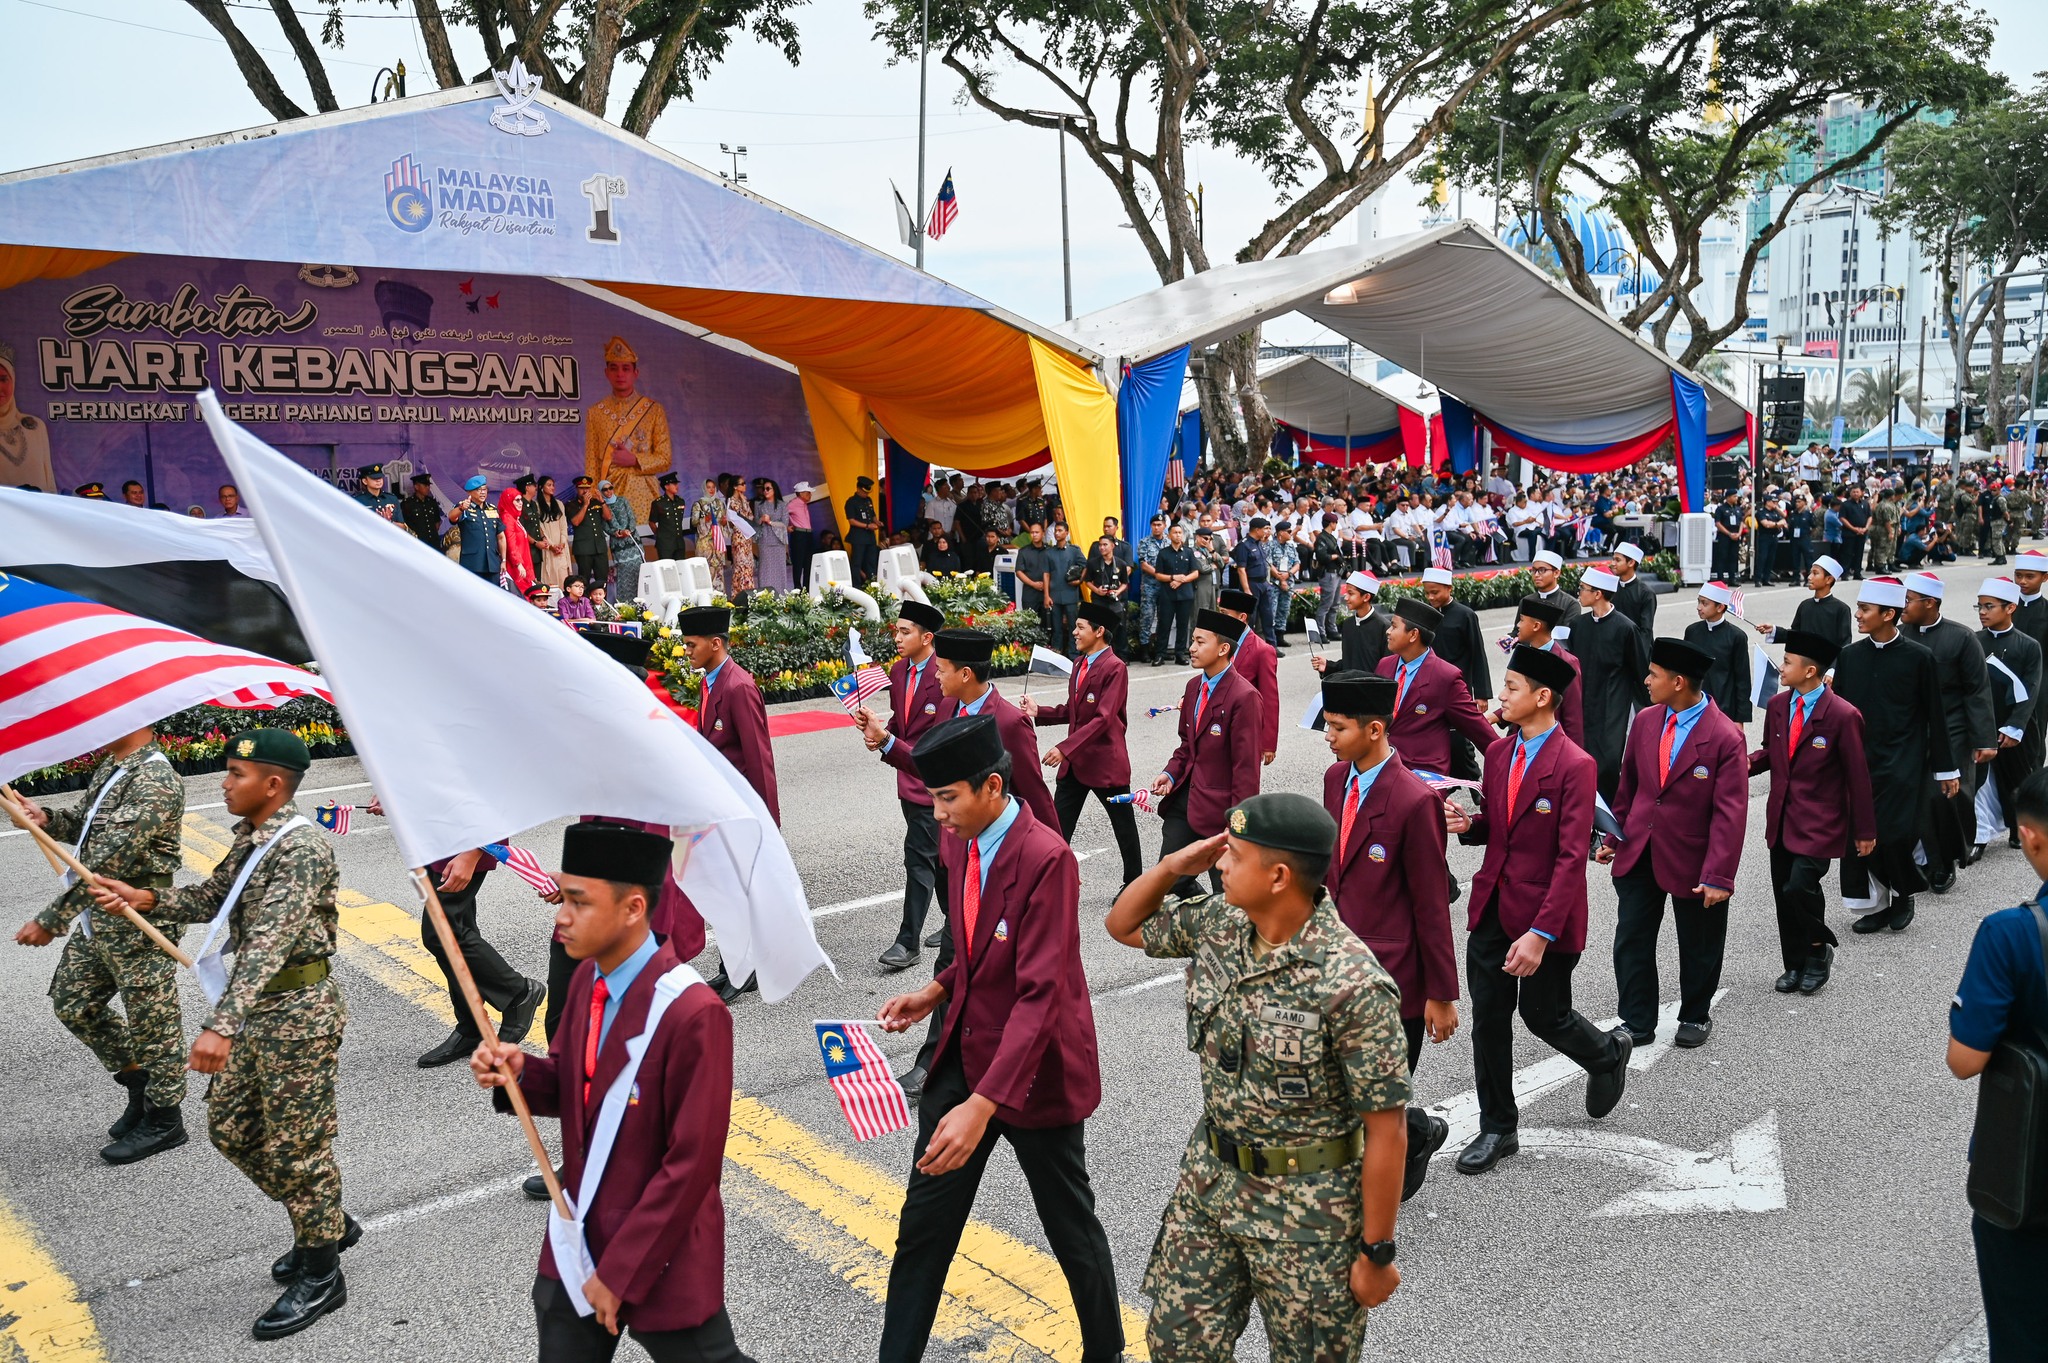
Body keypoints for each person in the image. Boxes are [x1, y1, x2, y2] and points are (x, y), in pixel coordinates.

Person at [1106, 791, 1411, 1363]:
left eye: (1233, 854)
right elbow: (1123, 925)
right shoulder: (1222, 923)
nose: (1219, 863)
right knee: (1175, 1347)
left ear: (1277, 877)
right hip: (1211, 1187)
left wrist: (1376, 1251)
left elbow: (1388, 1131)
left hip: (1308, 1214)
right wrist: (1174, 866)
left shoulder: (1350, 982)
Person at [875, 715, 1123, 1363]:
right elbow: (979, 947)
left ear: (992, 786)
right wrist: (936, 989)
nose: (939, 814)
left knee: (1070, 1228)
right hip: (965, 1054)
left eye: (948, 797)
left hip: (1034, 1073)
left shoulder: (1047, 858)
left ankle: (1107, 1350)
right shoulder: (961, 840)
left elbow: (1039, 993)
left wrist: (982, 1106)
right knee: (922, 1231)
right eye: (932, 798)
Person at [92, 729, 353, 1339]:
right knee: (231, 1131)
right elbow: (215, 896)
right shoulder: (252, 841)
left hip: (296, 1015)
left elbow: (269, 944)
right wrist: (144, 896)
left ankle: (322, 1271)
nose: (224, 782)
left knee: (297, 1146)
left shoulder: (299, 848)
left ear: (272, 784)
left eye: (236, 773)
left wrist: (219, 1025)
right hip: (256, 1008)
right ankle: (327, 1220)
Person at [469, 821, 752, 1363]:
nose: (561, 917)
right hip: (579, 1230)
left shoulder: (694, 1013)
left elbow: (691, 1163)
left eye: (579, 901)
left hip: (659, 1249)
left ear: (633, 909)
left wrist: (621, 1273)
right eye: (562, 897)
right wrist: (521, 1073)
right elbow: (576, 1088)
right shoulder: (586, 980)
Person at [1445, 646, 1633, 1174]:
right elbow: (1501, 828)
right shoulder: (1501, 754)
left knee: (1543, 1015)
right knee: (1489, 1021)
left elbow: (1572, 857)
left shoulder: (1575, 764)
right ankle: (1498, 1128)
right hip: (1492, 906)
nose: (1500, 696)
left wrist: (1539, 935)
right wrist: (1471, 827)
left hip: (1545, 917)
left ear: (1542, 697)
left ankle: (1605, 1055)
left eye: (1510, 688)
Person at [12, 723, 187, 1164]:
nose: (94, 723)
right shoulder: (115, 765)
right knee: (74, 1003)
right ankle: (139, 1085)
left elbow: (107, 861)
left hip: (138, 916)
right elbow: (88, 829)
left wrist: (50, 921)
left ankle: (165, 1119)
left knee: (153, 1024)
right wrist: (47, 818)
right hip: (100, 914)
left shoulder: (155, 779)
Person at [1319, 672, 1458, 1199]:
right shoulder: (1336, 780)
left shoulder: (1414, 800)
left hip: (1392, 983)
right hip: (1336, 970)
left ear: (1374, 729)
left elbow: (1431, 906)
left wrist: (1440, 995)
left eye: (1337, 727)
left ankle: (1404, 1148)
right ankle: (1418, 1131)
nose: (1328, 737)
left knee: (1372, 1102)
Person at [1945, 767, 2048, 1360]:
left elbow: (1965, 1060)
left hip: (2029, 1172)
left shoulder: (2011, 934)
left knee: (2022, 1332)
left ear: (2030, 837)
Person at [1600, 639, 1748, 1049]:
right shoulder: (1646, 720)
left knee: (1699, 940)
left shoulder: (1724, 737)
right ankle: (1636, 1021)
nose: (1646, 681)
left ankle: (1696, 1015)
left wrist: (1719, 875)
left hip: (1694, 856)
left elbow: (1730, 814)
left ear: (1678, 682)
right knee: (1632, 937)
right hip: (1639, 850)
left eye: (1653, 675)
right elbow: (1629, 787)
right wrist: (1614, 835)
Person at [1748, 630, 1873, 994]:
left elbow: (1858, 777)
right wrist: (1741, 765)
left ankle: (1818, 951)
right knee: (1782, 894)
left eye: (1788, 662)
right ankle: (1795, 963)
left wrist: (1864, 831)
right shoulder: (1777, 706)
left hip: (1821, 822)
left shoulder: (1843, 714)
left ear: (1810, 670)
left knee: (1800, 885)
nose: (1781, 667)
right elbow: (1772, 753)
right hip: (1782, 819)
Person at [1831, 576, 1959, 934]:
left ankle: (1904, 894)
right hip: (1858, 760)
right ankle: (1878, 904)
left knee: (1892, 833)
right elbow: (1836, 711)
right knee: (1859, 833)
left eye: (1865, 609)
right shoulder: (1849, 656)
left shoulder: (1920, 658)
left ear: (1889, 614)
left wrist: (1946, 769)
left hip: (1904, 761)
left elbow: (1936, 714)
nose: (1857, 615)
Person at [675, 604, 781, 1000]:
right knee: (724, 891)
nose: (686, 651)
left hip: (741, 812)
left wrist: (767, 822)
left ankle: (745, 970)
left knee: (737, 893)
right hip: (719, 809)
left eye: (691, 645)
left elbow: (760, 758)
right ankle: (734, 966)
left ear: (715, 644)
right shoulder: (710, 681)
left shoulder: (738, 687)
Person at [1022, 601, 1143, 885]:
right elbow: (1073, 711)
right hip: (1076, 766)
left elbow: (1102, 719)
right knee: (1056, 828)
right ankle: (1049, 883)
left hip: (1105, 765)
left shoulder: (1115, 668)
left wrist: (1064, 749)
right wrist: (1039, 712)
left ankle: (1135, 885)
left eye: (1080, 627)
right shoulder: (1079, 664)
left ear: (1099, 631)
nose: (1074, 632)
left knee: (1123, 828)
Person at [857, 600, 949, 972]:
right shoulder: (898, 671)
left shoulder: (944, 674)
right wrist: (880, 731)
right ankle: (956, 922)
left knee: (919, 859)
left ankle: (907, 941)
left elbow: (939, 735)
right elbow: (904, 721)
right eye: (896, 630)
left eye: (904, 631)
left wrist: (888, 741)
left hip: (933, 783)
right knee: (938, 858)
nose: (896, 637)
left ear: (927, 638)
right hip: (906, 779)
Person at [1150, 610, 1263, 897]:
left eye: (1200, 642)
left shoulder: (1244, 696)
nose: (1191, 648)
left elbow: (1246, 770)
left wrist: (1238, 825)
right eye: (1192, 640)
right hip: (1184, 803)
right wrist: (1169, 773)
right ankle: (1206, 917)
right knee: (1170, 878)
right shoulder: (1193, 687)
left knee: (1229, 892)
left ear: (1223, 649)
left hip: (1221, 812)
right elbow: (1187, 745)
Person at [1904, 571, 1997, 892]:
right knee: (1917, 798)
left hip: (1953, 731)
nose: (1902, 606)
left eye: (1908, 600)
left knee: (1945, 797)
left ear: (1930, 603)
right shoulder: (1899, 635)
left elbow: (1977, 691)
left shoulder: (1961, 638)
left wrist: (1984, 739)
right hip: (1912, 732)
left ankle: (1946, 860)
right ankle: (1931, 862)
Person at [1373, 597, 1499, 781]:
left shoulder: (1445, 676)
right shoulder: (1385, 666)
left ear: (1413, 635)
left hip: (1424, 776)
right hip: (1384, 768)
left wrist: (1512, 764)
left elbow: (1478, 729)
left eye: (1394, 626)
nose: (1388, 631)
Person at [1569, 567, 1650, 801]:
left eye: (1582, 589)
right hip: (1582, 704)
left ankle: (1610, 821)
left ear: (1598, 594)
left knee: (1606, 764)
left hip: (1612, 707)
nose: (1579, 593)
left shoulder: (1626, 628)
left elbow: (1640, 671)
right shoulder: (1578, 625)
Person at [1975, 577, 2043, 854]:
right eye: (1979, 606)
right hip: (1982, 725)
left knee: (2016, 781)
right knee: (1979, 785)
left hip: (2017, 728)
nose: (1982, 612)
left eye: (1989, 606)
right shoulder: (1974, 641)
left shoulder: (2028, 646)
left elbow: (2031, 689)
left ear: (2010, 607)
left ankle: (2017, 828)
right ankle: (1979, 836)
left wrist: (2015, 726)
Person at [584, 336, 673, 529]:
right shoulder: (595, 412)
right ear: (606, 373)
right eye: (614, 368)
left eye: (626, 368)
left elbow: (665, 459)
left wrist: (634, 460)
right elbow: (591, 464)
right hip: (610, 496)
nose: (620, 374)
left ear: (636, 373)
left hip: (645, 496)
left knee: (649, 553)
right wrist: (595, 499)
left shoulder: (653, 410)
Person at [1506, 596, 1585, 749]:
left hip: (1550, 744)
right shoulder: (1523, 654)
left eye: (1522, 620)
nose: (1518, 625)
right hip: (1522, 739)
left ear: (1536, 626)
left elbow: (1573, 718)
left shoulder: (1567, 662)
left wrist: (1574, 757)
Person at [1216, 587, 1281, 766]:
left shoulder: (1262, 651)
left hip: (1244, 728)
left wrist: (1268, 743)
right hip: (1216, 727)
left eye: (1224, 613)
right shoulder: (1219, 642)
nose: (1220, 617)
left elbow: (1270, 699)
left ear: (1242, 617)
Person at [1754, 555, 1852, 654]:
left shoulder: (1841, 609)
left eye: (1815, 573)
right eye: (1810, 573)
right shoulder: (1805, 605)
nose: (1809, 577)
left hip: (1828, 666)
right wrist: (1774, 630)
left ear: (1829, 579)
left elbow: (1844, 645)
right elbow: (1796, 636)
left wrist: (1833, 668)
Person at [1685, 582, 1753, 722]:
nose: (1699, 607)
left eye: (1704, 603)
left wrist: (1740, 719)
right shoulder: (1692, 632)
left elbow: (1743, 680)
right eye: (1699, 602)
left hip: (1723, 709)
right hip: (1694, 706)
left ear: (1720, 607)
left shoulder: (1736, 637)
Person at [0, 340, 55, 490]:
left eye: (3, 379)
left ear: (13, 380)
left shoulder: (34, 427)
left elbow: (49, 482)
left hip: (36, 512)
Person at [1313, 571, 1389, 679]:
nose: (1346, 598)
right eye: (1346, 593)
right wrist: (1328, 666)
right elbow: (1349, 665)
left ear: (1366, 597)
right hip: (1349, 689)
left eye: (1351, 593)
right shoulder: (1348, 624)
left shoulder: (1384, 627)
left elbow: (1388, 669)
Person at [1151, 523, 1199, 665]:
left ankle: (1180, 654)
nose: (1178, 535)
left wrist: (1181, 580)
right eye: (1175, 532)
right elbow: (1158, 575)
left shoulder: (1189, 552)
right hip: (1167, 594)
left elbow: (1195, 572)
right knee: (1164, 624)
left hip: (1185, 594)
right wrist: (1172, 578)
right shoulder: (1163, 553)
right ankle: (1160, 654)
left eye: (1180, 532)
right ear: (1169, 535)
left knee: (1183, 625)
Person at [1040, 522, 1086, 656]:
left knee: (1073, 626)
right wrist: (1046, 596)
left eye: (1060, 530)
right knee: (1056, 627)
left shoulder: (1074, 551)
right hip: (1054, 594)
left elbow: (1086, 566)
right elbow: (1046, 574)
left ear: (1067, 533)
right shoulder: (1049, 553)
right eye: (1055, 530)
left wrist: (1080, 581)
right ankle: (1056, 653)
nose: (1056, 533)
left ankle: (1074, 654)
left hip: (1070, 594)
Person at [1609, 543, 1658, 657]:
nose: (1613, 563)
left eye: (1617, 560)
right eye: (1613, 559)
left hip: (1635, 649)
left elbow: (1646, 630)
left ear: (1631, 563)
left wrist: (1639, 657)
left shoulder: (1646, 593)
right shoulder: (1610, 588)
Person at [455, 475, 506, 582]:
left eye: (484, 489)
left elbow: (501, 537)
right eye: (478, 490)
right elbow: (452, 517)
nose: (482, 492)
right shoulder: (464, 508)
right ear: (469, 492)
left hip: (492, 564)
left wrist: (504, 560)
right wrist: (461, 508)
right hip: (472, 564)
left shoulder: (492, 509)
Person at [600, 478, 643, 599]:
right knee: (624, 574)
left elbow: (632, 517)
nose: (609, 491)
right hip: (619, 546)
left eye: (610, 488)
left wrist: (629, 530)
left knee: (638, 571)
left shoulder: (622, 500)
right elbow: (605, 527)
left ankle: (641, 601)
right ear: (601, 492)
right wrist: (618, 532)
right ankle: (625, 603)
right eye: (605, 490)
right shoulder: (601, 507)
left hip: (633, 541)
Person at [569, 476, 611, 590]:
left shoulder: (597, 502)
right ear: (577, 489)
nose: (585, 491)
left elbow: (608, 517)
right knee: (584, 580)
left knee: (602, 580)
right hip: (583, 549)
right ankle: (585, 606)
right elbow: (576, 522)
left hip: (599, 548)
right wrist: (585, 505)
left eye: (587, 488)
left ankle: (602, 606)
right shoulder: (571, 504)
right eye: (582, 488)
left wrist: (602, 502)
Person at [1526, 550, 1582, 635]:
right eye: (1534, 570)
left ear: (1556, 573)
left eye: (1542, 570)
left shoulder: (1570, 604)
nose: (1536, 575)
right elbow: (1517, 632)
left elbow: (1567, 638)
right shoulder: (1526, 601)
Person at [753, 478, 793, 592]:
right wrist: (761, 519)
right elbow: (755, 524)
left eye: (768, 488)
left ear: (774, 490)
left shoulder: (782, 505)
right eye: (763, 489)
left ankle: (780, 595)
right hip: (764, 541)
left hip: (778, 541)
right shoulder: (758, 505)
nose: (765, 491)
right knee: (765, 570)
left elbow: (784, 524)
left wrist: (770, 522)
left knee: (779, 570)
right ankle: (765, 596)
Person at [692, 477, 729, 590]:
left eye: (713, 487)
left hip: (717, 542)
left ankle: (719, 596)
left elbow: (724, 520)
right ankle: (706, 598)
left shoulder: (719, 503)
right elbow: (694, 522)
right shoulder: (698, 504)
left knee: (718, 570)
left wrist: (724, 522)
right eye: (709, 487)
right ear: (704, 488)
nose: (711, 490)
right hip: (705, 543)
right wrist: (705, 519)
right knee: (705, 570)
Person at [501, 486, 538, 596]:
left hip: (521, 563)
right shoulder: (507, 518)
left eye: (521, 499)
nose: (520, 503)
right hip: (514, 566)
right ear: (508, 501)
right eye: (517, 500)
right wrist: (518, 564)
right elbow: (511, 543)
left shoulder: (513, 518)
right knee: (520, 595)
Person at [846, 475, 881, 584]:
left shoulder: (868, 500)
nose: (866, 494)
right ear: (858, 489)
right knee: (857, 562)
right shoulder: (851, 502)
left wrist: (877, 522)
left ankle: (872, 585)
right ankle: (856, 586)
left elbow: (872, 514)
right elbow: (851, 520)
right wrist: (867, 526)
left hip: (870, 537)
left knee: (871, 561)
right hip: (858, 536)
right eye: (864, 492)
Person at [649, 471, 690, 563]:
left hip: (679, 542)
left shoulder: (680, 501)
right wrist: (660, 535)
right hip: (665, 544)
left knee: (681, 568)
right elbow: (651, 522)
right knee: (667, 569)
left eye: (677, 484)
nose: (677, 486)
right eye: (674, 484)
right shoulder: (658, 503)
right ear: (666, 486)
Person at [788, 482, 818, 588]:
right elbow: (781, 514)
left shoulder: (804, 504)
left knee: (808, 563)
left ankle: (806, 588)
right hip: (799, 535)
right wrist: (786, 526)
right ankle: (797, 588)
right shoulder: (793, 503)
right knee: (798, 563)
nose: (810, 495)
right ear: (801, 493)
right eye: (808, 493)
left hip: (808, 535)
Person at [1839, 484, 1872, 578]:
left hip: (1862, 532)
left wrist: (1865, 528)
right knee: (1847, 553)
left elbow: (1869, 517)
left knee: (1859, 553)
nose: (1855, 494)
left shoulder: (1865, 503)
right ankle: (1845, 573)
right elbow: (1842, 518)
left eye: (1857, 492)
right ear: (1850, 493)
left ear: (1861, 492)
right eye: (1853, 492)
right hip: (1849, 533)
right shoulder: (1845, 504)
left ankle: (1857, 573)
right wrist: (1854, 528)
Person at [402, 472, 443, 546]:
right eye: (425, 485)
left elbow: (437, 522)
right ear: (416, 487)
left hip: (433, 542)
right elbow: (404, 525)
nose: (428, 488)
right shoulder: (407, 504)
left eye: (428, 485)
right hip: (417, 543)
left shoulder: (432, 502)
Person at [1712, 490, 1745, 580]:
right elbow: (1718, 523)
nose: (1736, 498)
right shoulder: (1721, 509)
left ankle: (1732, 578)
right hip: (1725, 535)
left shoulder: (1737, 508)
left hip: (1736, 535)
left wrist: (1739, 533)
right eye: (1734, 496)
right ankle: (1720, 578)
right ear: (1728, 497)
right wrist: (1729, 533)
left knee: (1733, 557)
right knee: (1722, 557)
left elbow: (1741, 522)